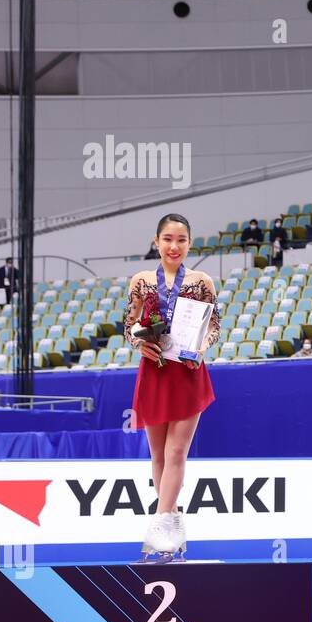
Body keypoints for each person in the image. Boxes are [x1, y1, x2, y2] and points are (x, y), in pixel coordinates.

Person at [123, 213, 222, 562]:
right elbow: (128, 325)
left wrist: (200, 348)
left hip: (187, 372)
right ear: (156, 241)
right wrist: (140, 343)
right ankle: (173, 523)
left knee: (176, 452)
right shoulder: (141, 281)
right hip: (154, 372)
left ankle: (160, 522)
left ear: (190, 243)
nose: (174, 246)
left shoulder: (201, 281)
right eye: (167, 239)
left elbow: (214, 327)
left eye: (181, 239)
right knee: (157, 455)